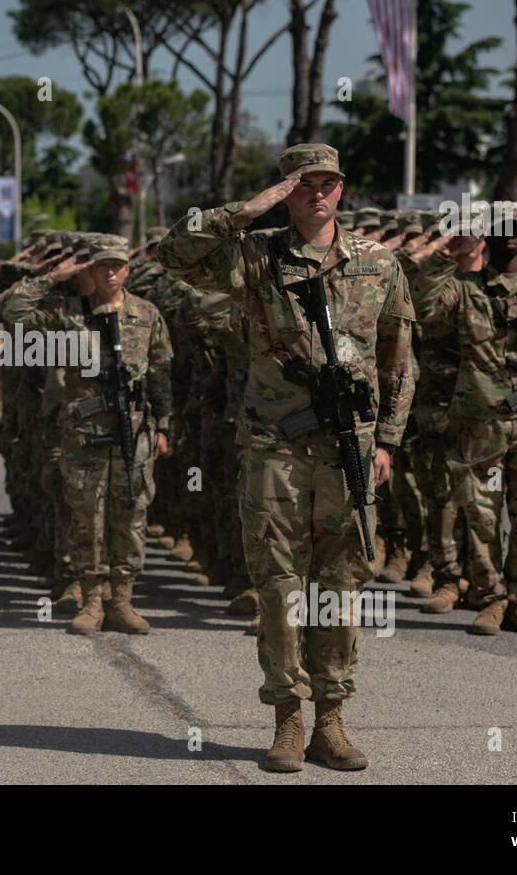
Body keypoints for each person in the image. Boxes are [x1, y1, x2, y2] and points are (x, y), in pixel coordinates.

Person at [158, 144, 416, 772]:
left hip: (347, 449)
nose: (317, 195)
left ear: (342, 190)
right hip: (274, 445)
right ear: (286, 190)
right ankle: (287, 717)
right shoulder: (254, 255)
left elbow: (399, 357)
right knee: (278, 585)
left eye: (327, 184)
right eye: (303, 185)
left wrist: (387, 439)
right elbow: (173, 254)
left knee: (341, 586)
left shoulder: (379, 264)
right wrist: (247, 211)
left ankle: (331, 716)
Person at [412, 205, 517, 637]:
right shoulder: (464, 288)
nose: (509, 235)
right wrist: (444, 255)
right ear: (486, 234)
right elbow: (423, 309)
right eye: (500, 228)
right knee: (482, 516)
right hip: (480, 424)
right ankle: (489, 599)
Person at [2, 233, 173, 636]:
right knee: (86, 516)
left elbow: (161, 372)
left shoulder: (147, 314)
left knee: (131, 514)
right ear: (90, 270)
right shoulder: (69, 313)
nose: (110, 272)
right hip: (84, 433)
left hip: (133, 432)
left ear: (128, 269)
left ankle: (122, 600)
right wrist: (53, 276)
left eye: (117, 265)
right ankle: (92, 601)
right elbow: (13, 310)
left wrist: (164, 425)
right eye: (101, 266)